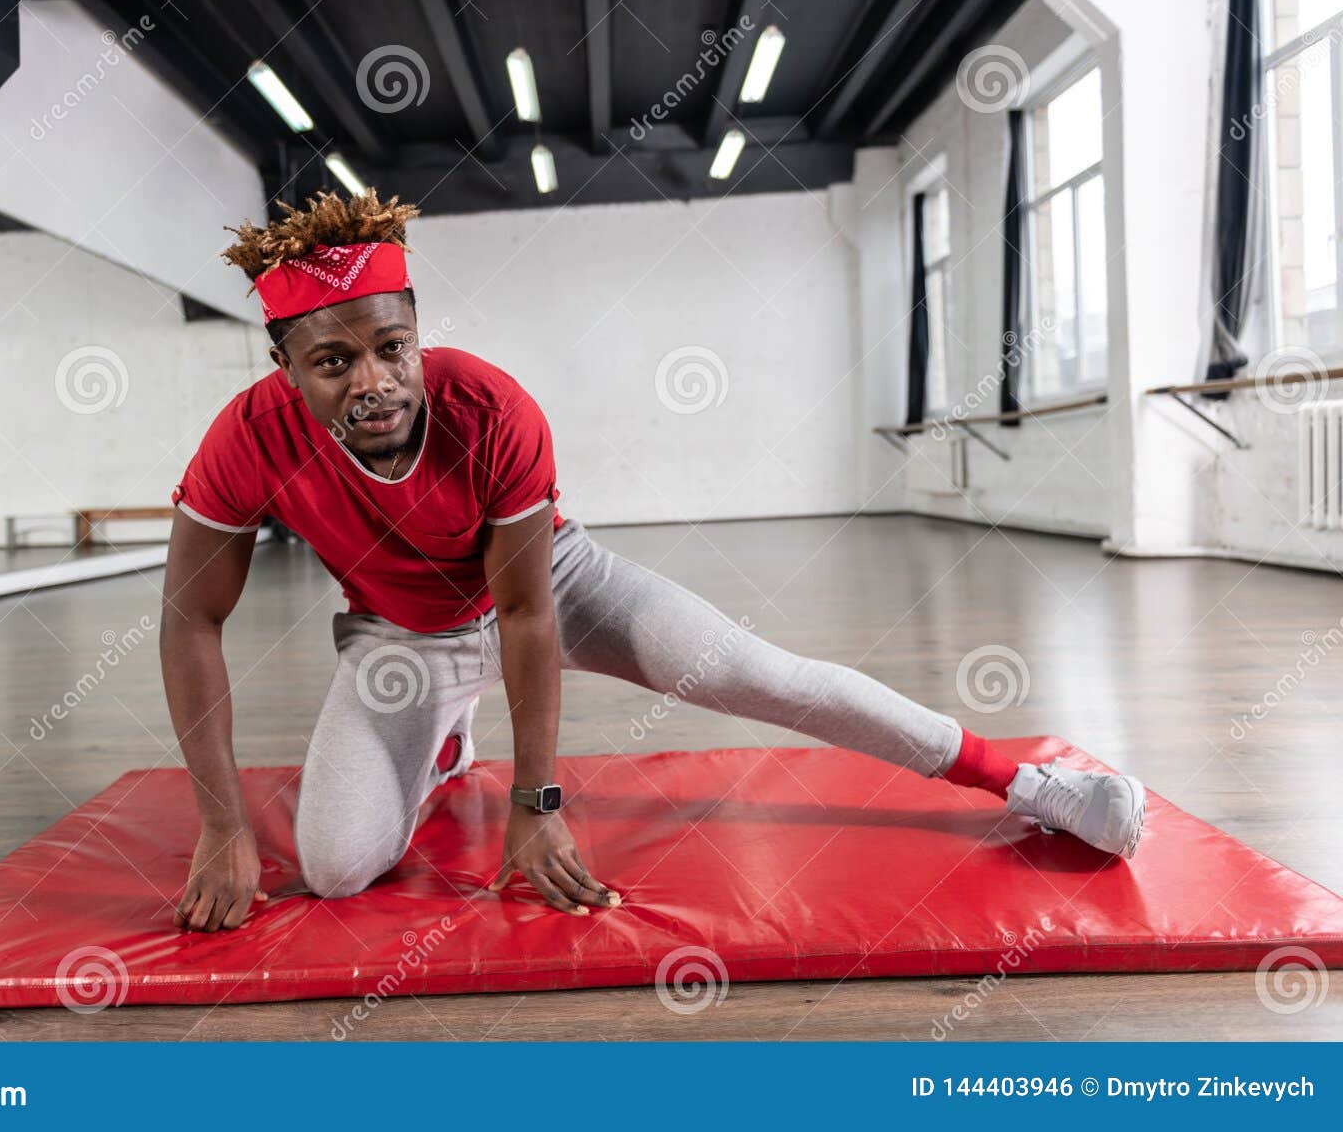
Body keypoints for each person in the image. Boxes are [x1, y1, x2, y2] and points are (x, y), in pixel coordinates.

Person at [159, 190, 1146, 933]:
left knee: (758, 674)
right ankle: (442, 744)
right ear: (284, 367)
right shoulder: (243, 440)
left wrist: (537, 802)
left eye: (391, 348)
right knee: (334, 867)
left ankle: (1025, 782)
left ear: (418, 336)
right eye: (333, 362)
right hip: (400, 634)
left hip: (553, 584)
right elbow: (188, 618)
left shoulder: (491, 409)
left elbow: (528, 614)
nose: (373, 383)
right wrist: (220, 821)